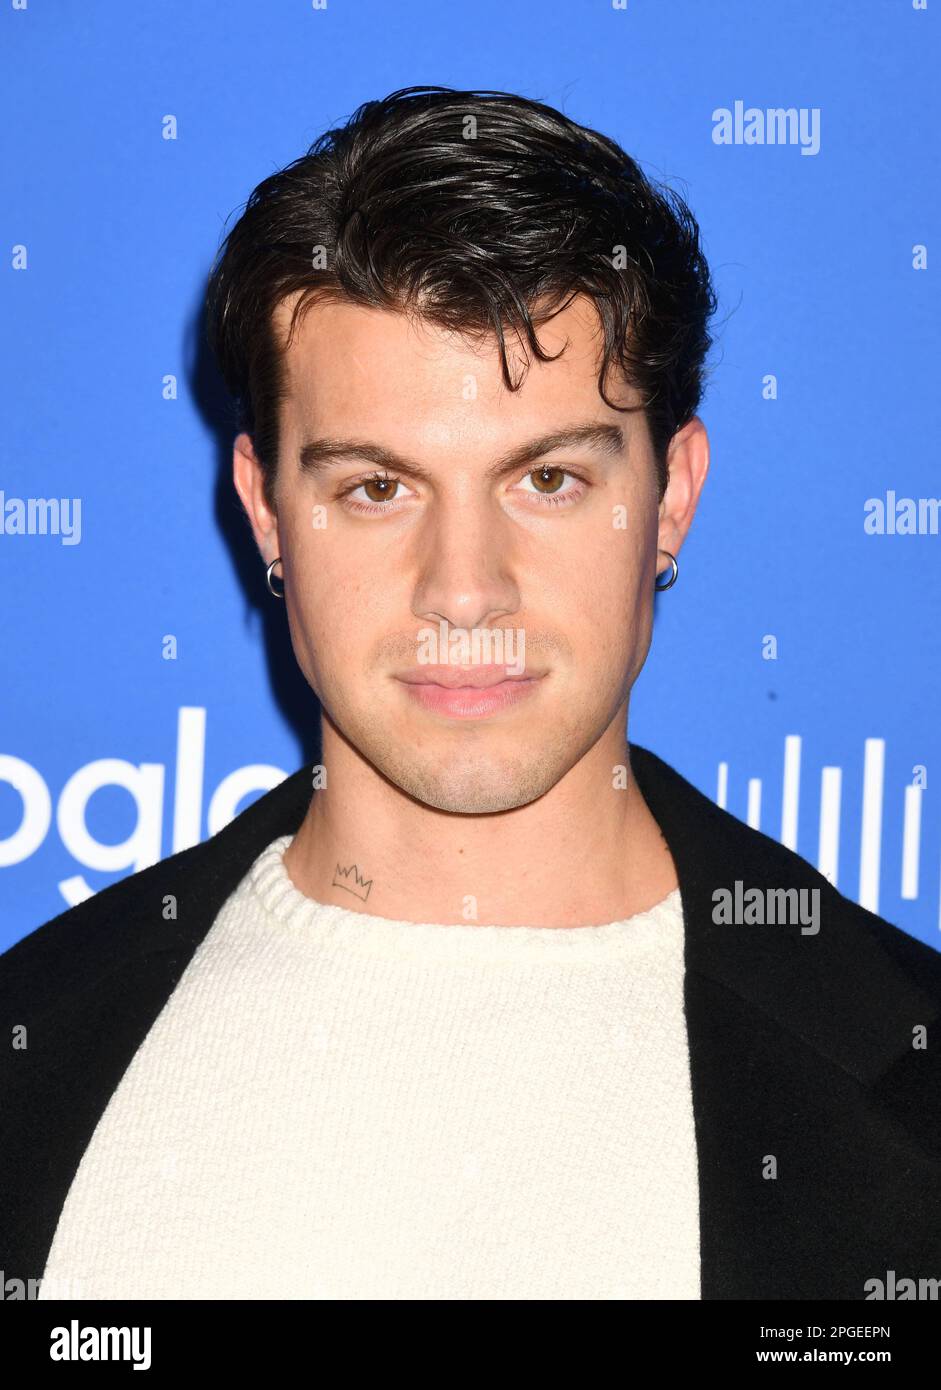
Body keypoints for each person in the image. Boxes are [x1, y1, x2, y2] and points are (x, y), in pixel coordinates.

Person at [2, 86, 939, 1303]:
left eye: (545, 478)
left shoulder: (907, 1083)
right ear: (263, 507)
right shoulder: (33, 1047)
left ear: (669, 497)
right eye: (376, 488)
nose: (463, 588)